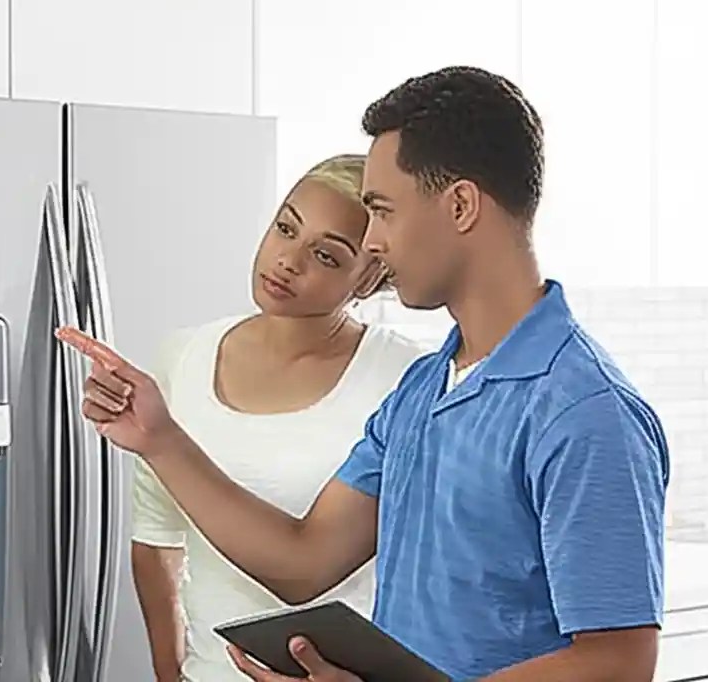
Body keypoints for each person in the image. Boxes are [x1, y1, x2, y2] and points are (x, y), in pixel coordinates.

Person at [63, 66, 670, 681]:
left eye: (383, 211)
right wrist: (160, 439)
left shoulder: (584, 411)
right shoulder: (423, 390)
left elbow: (618, 663)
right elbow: (304, 561)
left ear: (460, 205)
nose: (373, 243)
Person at [126, 154, 426, 682]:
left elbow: (423, 571)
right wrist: (170, 673)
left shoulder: (407, 378)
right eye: (286, 228)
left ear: (370, 274)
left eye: (326, 256)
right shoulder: (183, 357)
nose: (288, 260)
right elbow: (156, 539)